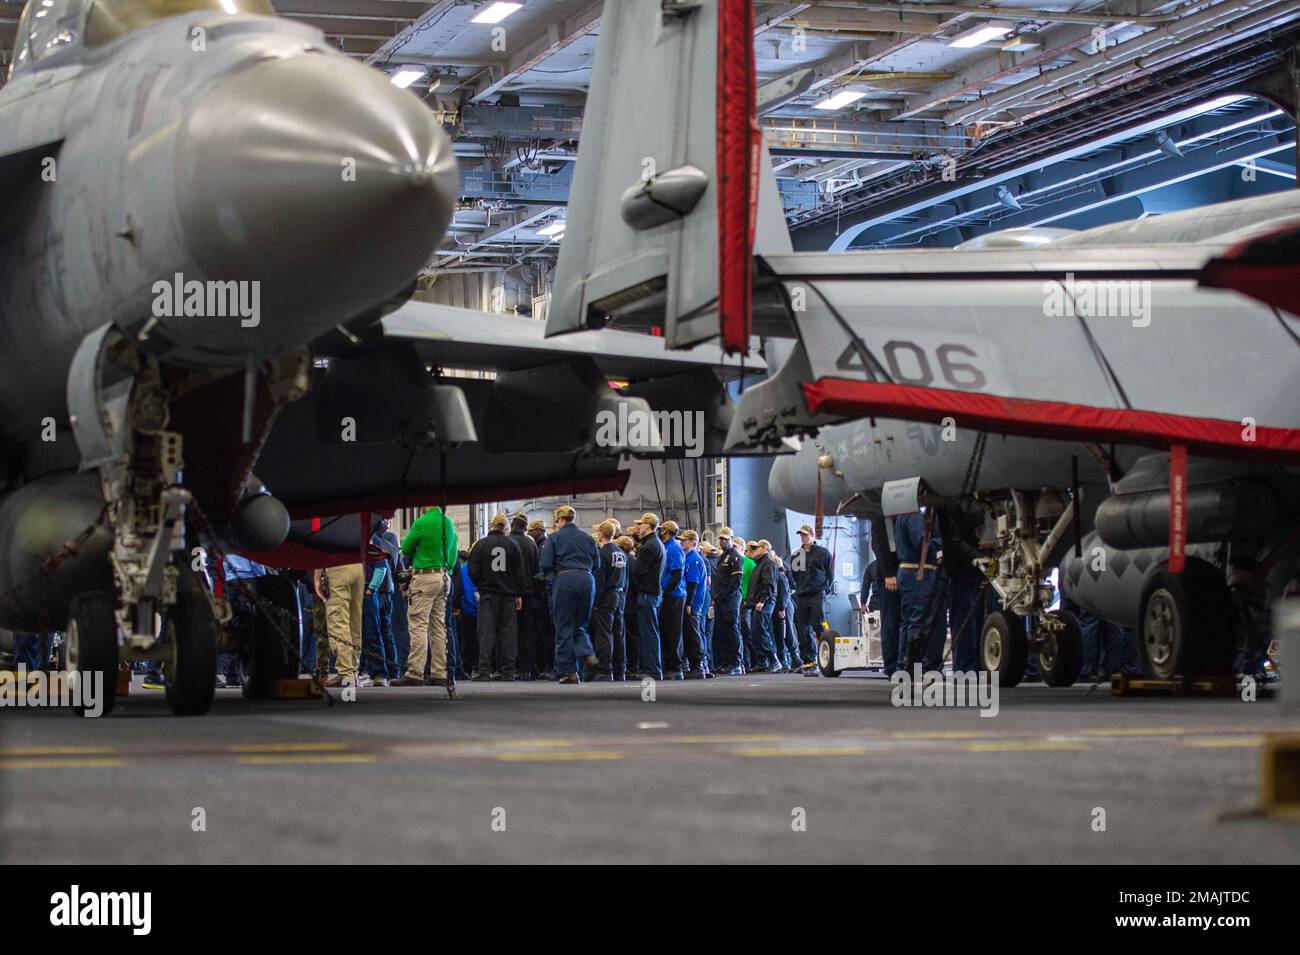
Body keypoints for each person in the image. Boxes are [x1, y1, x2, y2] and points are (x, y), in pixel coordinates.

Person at [397, 505, 458, 687]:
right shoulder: (448, 523)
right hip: (443, 576)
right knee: (438, 626)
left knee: (418, 625)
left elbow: (406, 547)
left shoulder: (421, 522)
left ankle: (415, 672)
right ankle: (439, 672)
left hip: (424, 577)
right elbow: (453, 553)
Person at [540, 505, 600, 684]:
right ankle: (588, 654)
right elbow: (597, 564)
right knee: (580, 625)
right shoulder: (588, 538)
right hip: (587, 579)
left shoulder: (554, 538)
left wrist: (553, 578)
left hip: (565, 579)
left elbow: (545, 564)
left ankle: (568, 672)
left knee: (564, 627)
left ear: (559, 520)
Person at [469, 514, 529, 682]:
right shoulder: (513, 544)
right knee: (508, 633)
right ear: (506, 528)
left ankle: (484, 670)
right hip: (509, 595)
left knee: (486, 633)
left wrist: (482, 584)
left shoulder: (481, 545)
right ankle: (508, 671)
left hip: (488, 594)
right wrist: (519, 593)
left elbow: (472, 572)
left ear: (491, 526)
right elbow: (520, 573)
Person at [895, 508, 946, 673]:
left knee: (910, 622)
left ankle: (907, 666)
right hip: (919, 571)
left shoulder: (905, 515)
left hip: (912, 571)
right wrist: (944, 544)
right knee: (919, 622)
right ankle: (916, 668)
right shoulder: (914, 516)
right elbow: (922, 542)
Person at [941, 501, 985, 673]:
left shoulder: (975, 504)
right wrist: (979, 557)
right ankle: (965, 667)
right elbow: (953, 539)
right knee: (965, 622)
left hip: (974, 569)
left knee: (977, 621)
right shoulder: (953, 504)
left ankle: (973, 665)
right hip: (962, 570)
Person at [789, 524, 833, 670]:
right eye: (801, 535)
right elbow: (795, 575)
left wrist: (824, 590)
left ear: (812, 534)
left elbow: (829, 574)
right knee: (802, 627)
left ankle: (825, 658)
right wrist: (800, 587)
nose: (803, 537)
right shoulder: (796, 554)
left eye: (805, 534)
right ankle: (809, 660)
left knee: (818, 625)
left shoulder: (823, 553)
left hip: (817, 593)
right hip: (802, 594)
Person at [589, 519, 627, 681]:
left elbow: (599, 581)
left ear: (602, 534)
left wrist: (594, 602)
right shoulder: (621, 553)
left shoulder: (602, 553)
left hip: (606, 596)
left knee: (604, 633)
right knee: (618, 634)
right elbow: (626, 578)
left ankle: (605, 669)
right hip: (620, 595)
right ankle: (620, 670)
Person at [630, 512, 665, 679]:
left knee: (648, 633)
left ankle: (652, 669)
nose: (638, 527)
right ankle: (651, 667)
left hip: (647, 594)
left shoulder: (649, 546)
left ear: (649, 526)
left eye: (641, 524)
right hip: (653, 594)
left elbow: (636, 570)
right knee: (651, 632)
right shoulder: (657, 544)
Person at [868, 514, 902, 675]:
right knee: (891, 622)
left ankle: (900, 664)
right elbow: (879, 545)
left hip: (900, 573)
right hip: (889, 576)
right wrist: (888, 573)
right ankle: (892, 666)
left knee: (899, 622)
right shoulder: (881, 516)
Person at [509, 513, 541, 680]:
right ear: (525, 527)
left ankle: (508, 667)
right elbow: (537, 571)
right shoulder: (531, 543)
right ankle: (526, 668)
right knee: (527, 632)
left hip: (508, 594)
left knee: (508, 631)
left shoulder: (506, 542)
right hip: (527, 595)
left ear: (512, 525)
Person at [359, 537, 394, 686]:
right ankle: (362, 671)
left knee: (372, 633)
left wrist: (371, 589)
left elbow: (381, 568)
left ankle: (379, 673)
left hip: (367, 591)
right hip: (361, 590)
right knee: (362, 635)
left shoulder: (374, 540)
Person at [657, 520, 688, 679]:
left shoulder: (674, 548)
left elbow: (677, 574)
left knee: (673, 632)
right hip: (669, 594)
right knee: (666, 631)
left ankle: (676, 667)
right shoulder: (667, 546)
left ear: (666, 531)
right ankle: (669, 664)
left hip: (674, 595)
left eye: (661, 530)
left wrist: (665, 591)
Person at [711, 528, 744, 674]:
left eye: (726, 539)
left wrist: (726, 595)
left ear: (732, 539)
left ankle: (736, 663)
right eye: (721, 539)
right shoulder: (722, 557)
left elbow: (736, 581)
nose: (723, 541)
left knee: (732, 631)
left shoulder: (735, 557)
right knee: (722, 631)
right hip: (721, 599)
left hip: (730, 600)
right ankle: (726, 662)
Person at [527, 518, 555, 679]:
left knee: (544, 632)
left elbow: (543, 572)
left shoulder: (544, 547)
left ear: (538, 531)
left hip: (544, 595)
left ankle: (547, 666)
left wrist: (533, 581)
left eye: (531, 531)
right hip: (544, 593)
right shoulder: (541, 545)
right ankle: (544, 666)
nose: (529, 534)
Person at [680, 530, 711, 678]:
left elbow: (692, 583)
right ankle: (697, 665)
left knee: (693, 635)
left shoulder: (693, 559)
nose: (682, 542)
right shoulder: (690, 557)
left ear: (693, 542)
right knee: (692, 634)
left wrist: (688, 603)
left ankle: (698, 666)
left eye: (685, 540)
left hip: (693, 604)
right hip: (693, 603)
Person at [748, 540, 781, 672]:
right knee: (755, 632)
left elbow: (769, 585)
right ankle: (763, 661)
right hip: (757, 603)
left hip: (764, 603)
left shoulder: (768, 564)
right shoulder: (759, 564)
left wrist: (762, 601)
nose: (755, 549)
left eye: (758, 547)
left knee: (761, 631)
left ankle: (774, 660)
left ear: (765, 548)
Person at [449, 549, 478, 678]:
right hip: (479, 608)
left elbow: (459, 588)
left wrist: (456, 605)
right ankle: (476, 666)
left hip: (465, 608)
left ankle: (464, 667)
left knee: (464, 638)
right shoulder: (475, 570)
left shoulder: (462, 571)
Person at [616, 534, 637, 679]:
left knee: (627, 634)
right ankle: (632, 665)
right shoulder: (633, 560)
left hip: (627, 599)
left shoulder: (624, 560)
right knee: (632, 635)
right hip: (631, 599)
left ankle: (629, 666)